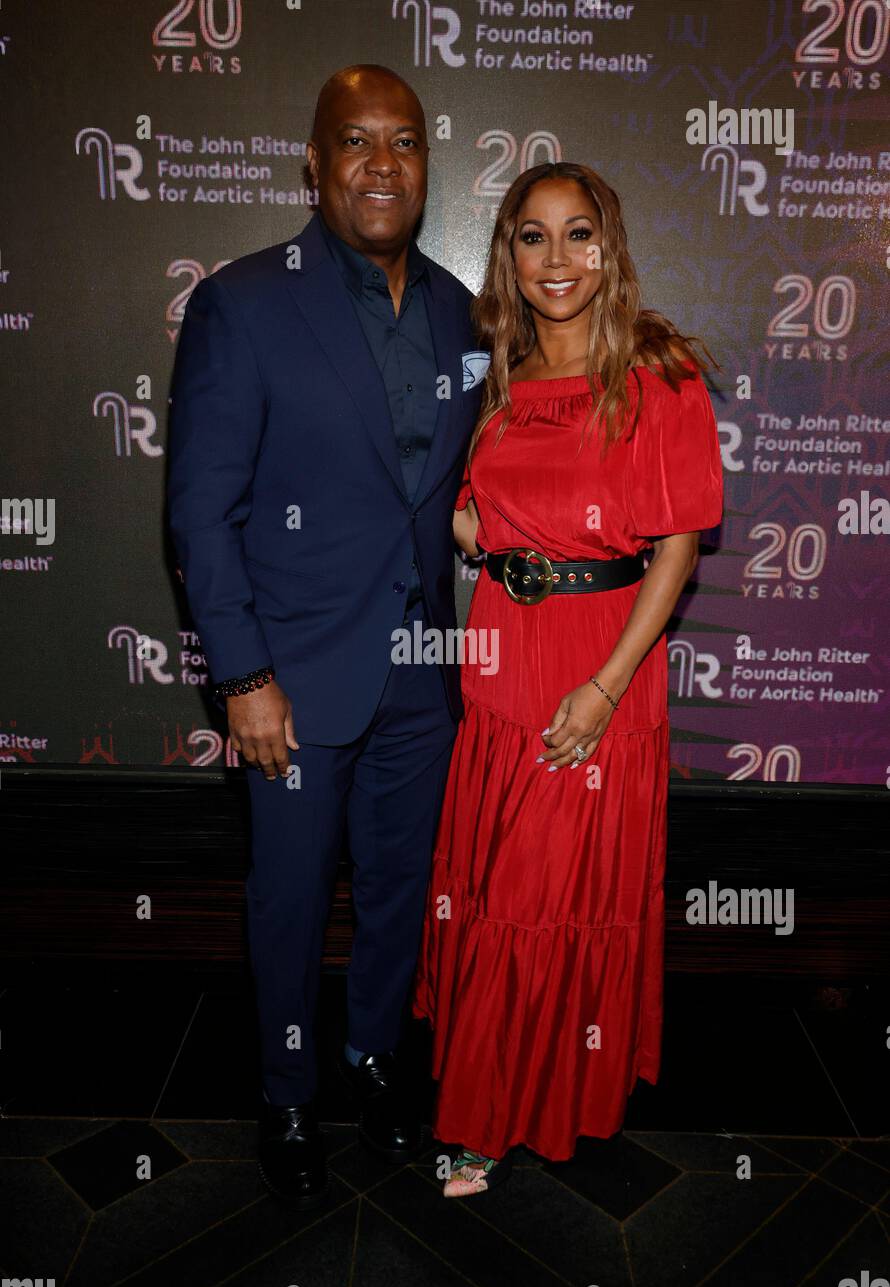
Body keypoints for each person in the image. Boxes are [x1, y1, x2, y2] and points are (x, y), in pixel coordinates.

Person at [167, 65, 484, 1207]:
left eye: (403, 142)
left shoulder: (462, 310)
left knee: (401, 886)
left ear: (425, 164)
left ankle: (374, 1065)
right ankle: (289, 1088)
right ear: (314, 163)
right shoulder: (246, 301)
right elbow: (201, 510)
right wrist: (242, 674)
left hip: (422, 679)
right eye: (355, 141)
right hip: (291, 675)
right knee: (290, 895)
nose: (382, 163)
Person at [412, 161, 724, 1196]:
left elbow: (675, 548)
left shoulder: (657, 370)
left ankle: (483, 1118)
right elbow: (476, 512)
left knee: (530, 897)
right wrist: (464, 529)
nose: (556, 258)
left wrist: (602, 686)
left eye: (577, 233)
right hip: (500, 655)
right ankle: (516, 1086)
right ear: (508, 254)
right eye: (533, 236)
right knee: (497, 883)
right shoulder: (497, 374)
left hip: (600, 659)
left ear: (608, 248)